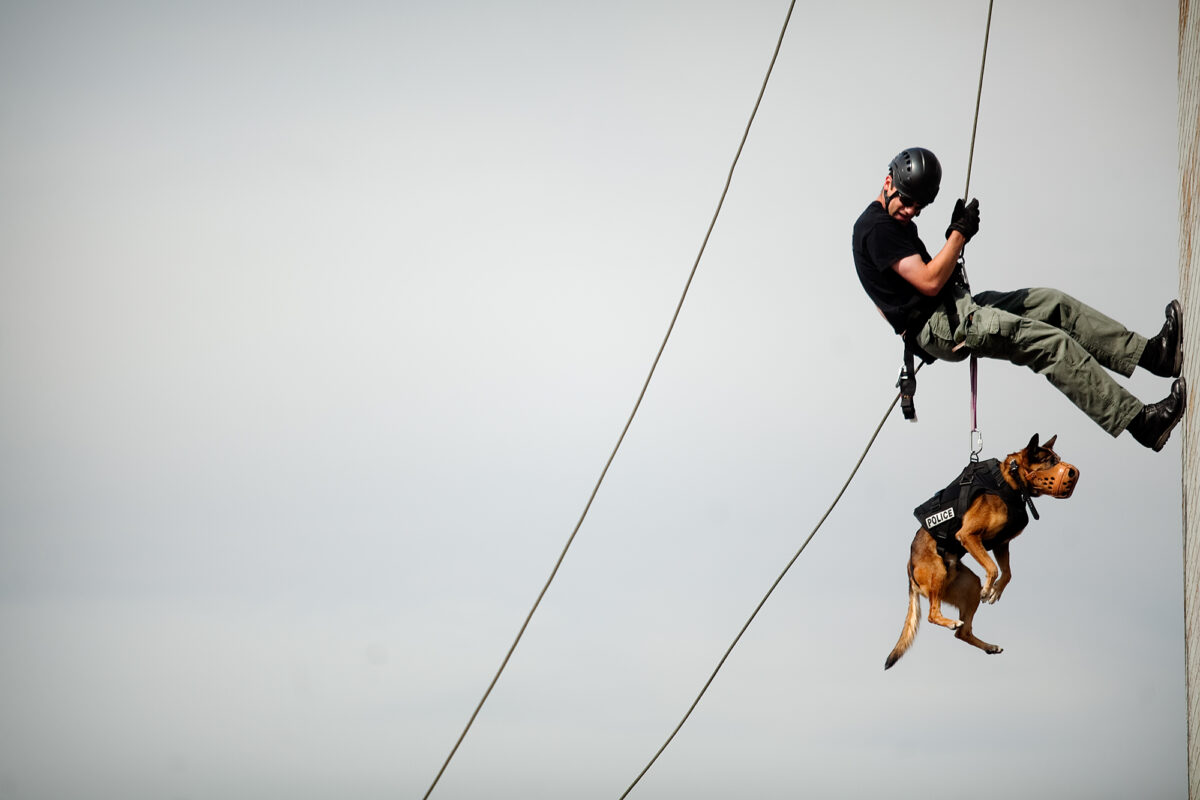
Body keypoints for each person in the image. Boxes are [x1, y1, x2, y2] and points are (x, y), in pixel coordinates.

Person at [852, 147, 1185, 451]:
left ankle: (1154, 355)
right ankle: (1142, 423)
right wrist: (958, 235)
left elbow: (893, 295)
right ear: (888, 181)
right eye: (907, 201)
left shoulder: (889, 227)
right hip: (944, 325)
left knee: (1053, 304)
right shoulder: (876, 228)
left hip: (952, 311)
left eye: (919, 206)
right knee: (1050, 345)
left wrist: (951, 245)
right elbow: (929, 280)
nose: (911, 211)